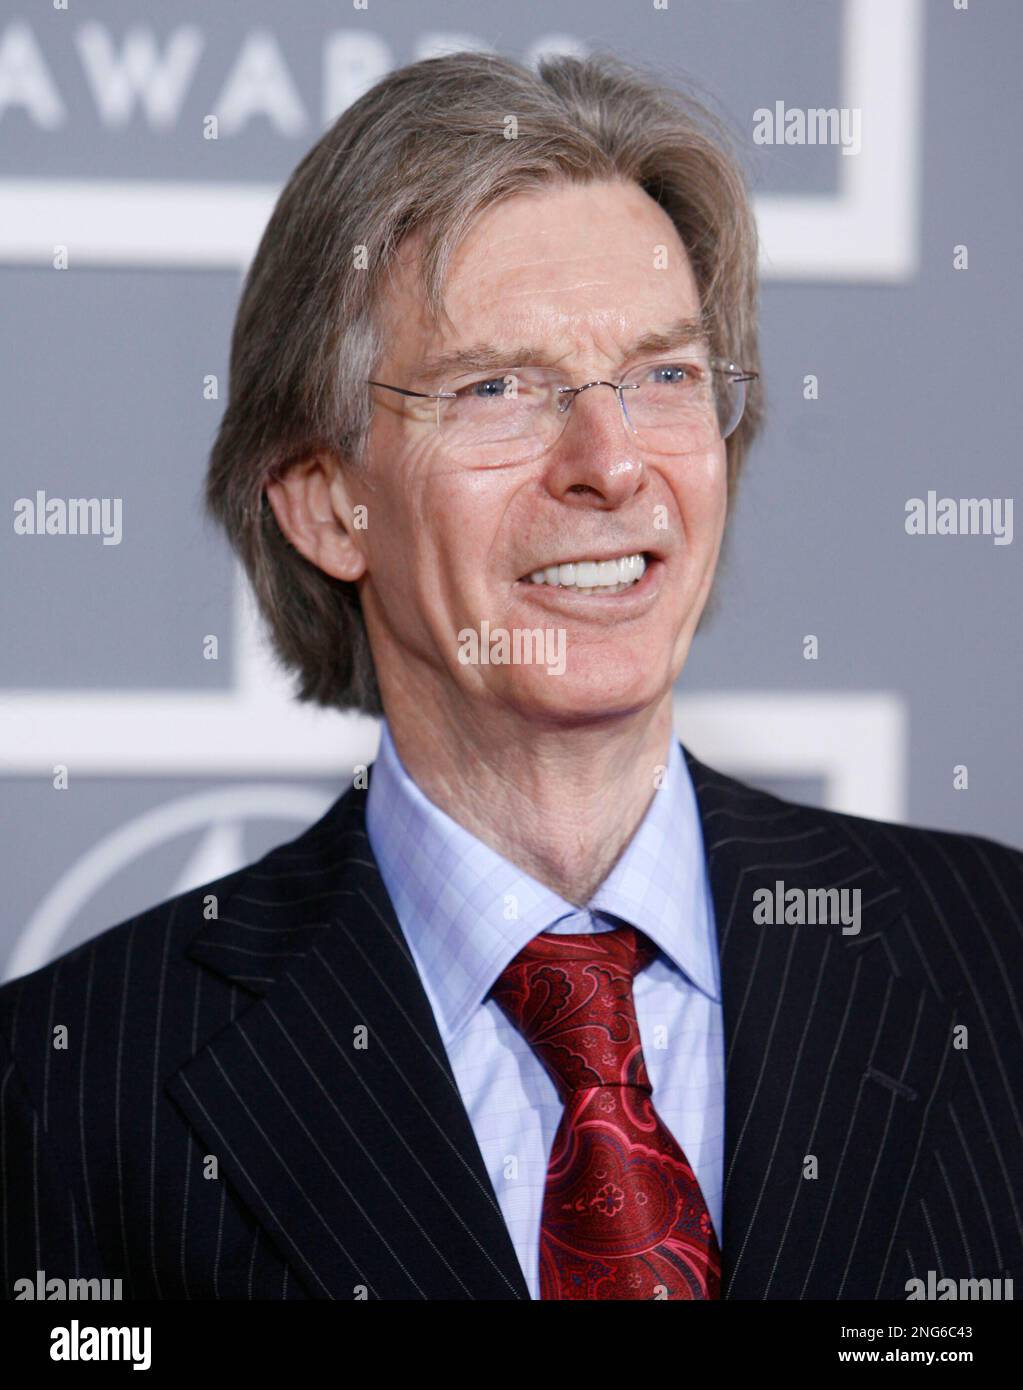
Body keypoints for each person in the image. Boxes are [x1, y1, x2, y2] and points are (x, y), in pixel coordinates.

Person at [2, 50, 1020, 1302]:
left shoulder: (998, 962)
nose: (611, 461)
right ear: (328, 504)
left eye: (664, 376)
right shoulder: (63, 1089)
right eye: (497, 388)